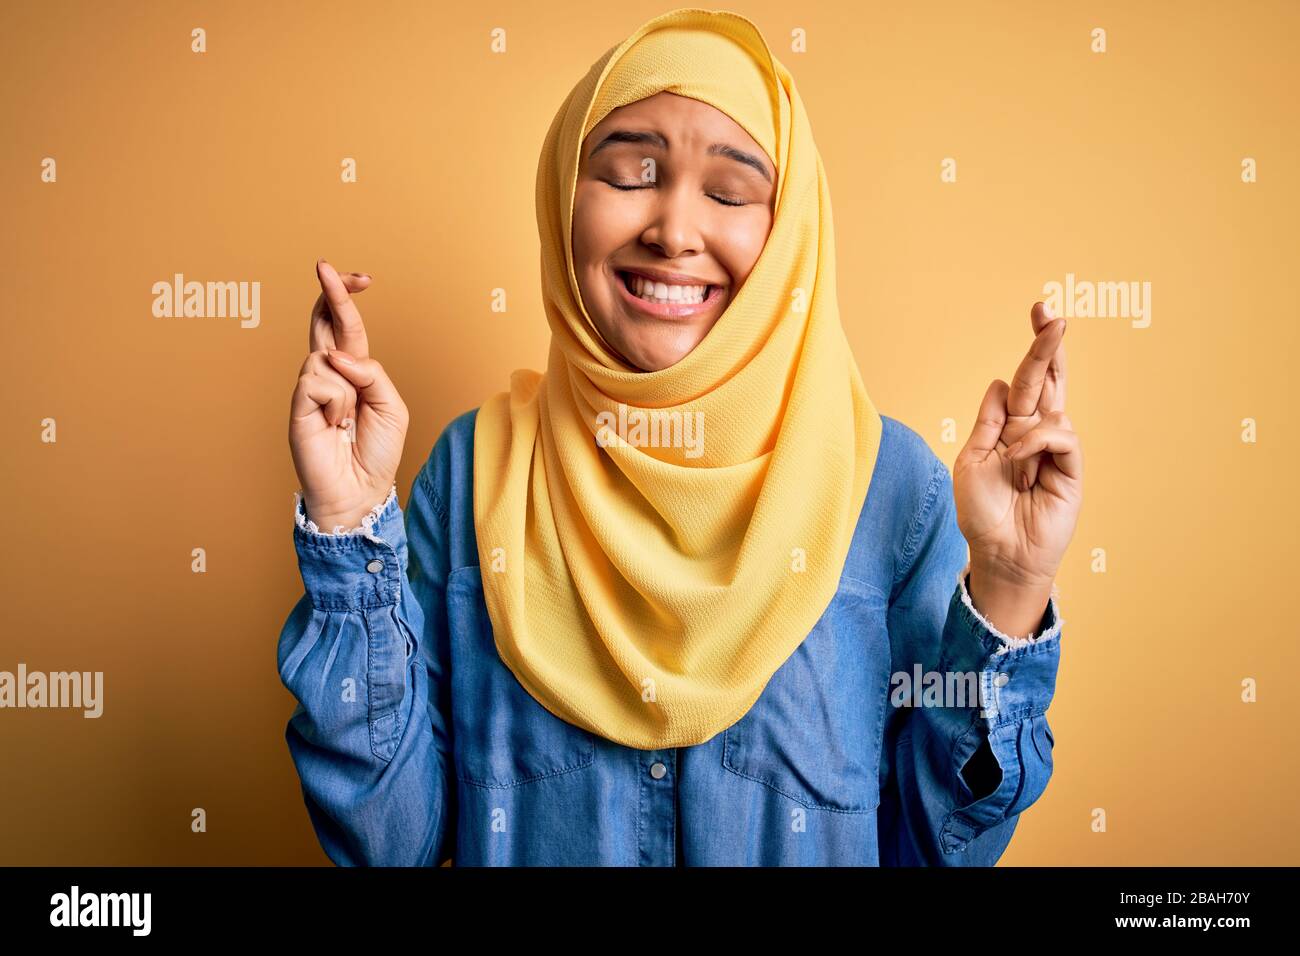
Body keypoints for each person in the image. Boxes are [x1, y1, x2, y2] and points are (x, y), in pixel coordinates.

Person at [279, 7, 1082, 866]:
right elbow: (389, 846)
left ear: (791, 233)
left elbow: (933, 848)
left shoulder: (886, 490)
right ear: (563, 196)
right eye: (631, 174)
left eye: (729, 193)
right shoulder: (475, 476)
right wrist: (348, 518)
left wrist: (1010, 584)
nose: (672, 231)